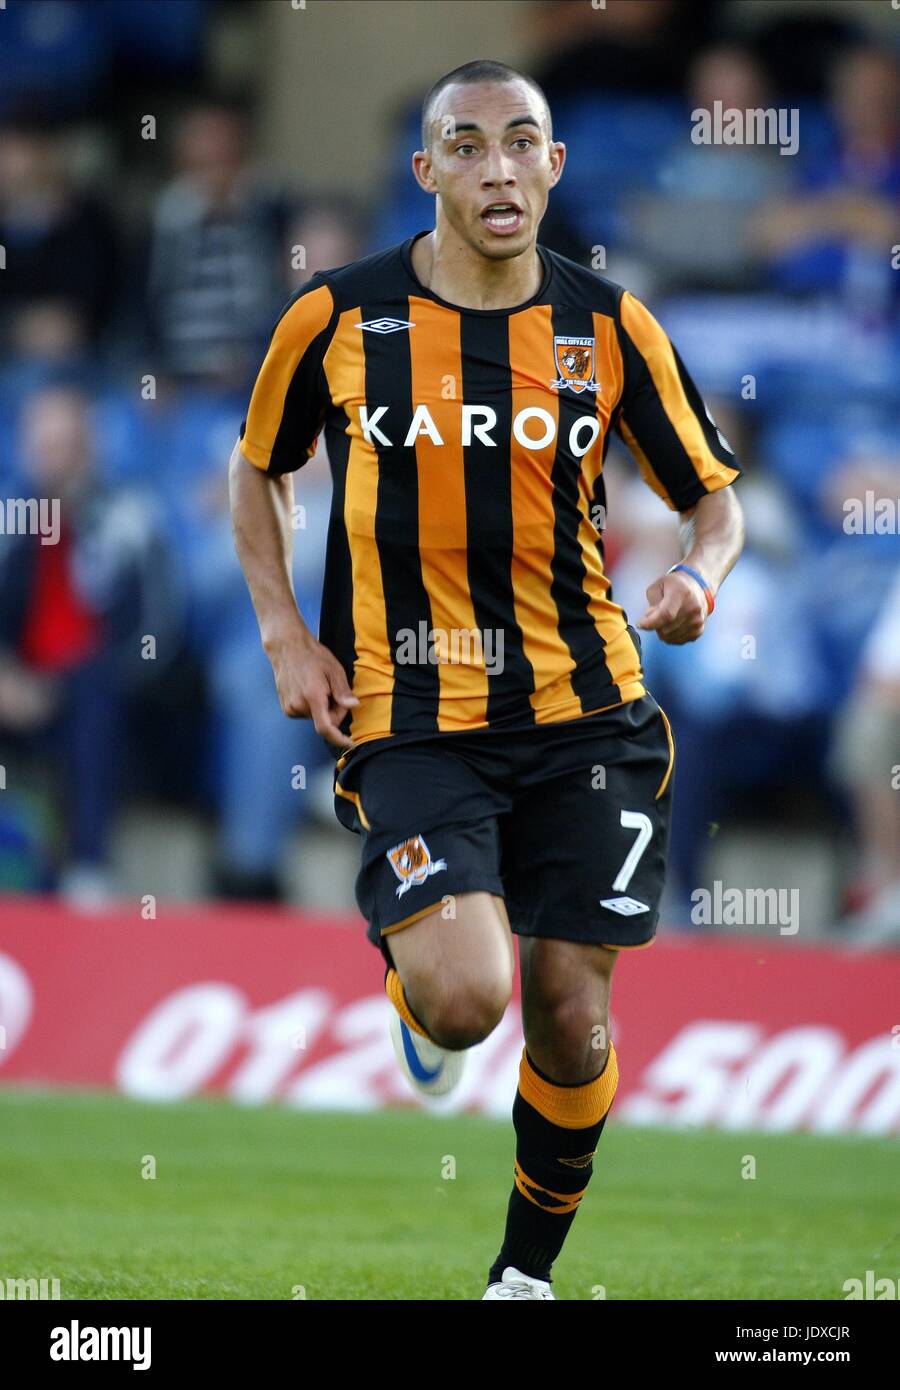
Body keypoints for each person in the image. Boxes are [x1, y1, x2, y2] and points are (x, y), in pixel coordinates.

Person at [229, 60, 744, 1300]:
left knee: (570, 1012)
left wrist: (699, 577)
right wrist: (286, 636)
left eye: (523, 143)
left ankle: (523, 1277)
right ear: (428, 173)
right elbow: (258, 470)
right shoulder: (337, 319)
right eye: (467, 146)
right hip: (410, 715)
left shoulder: (611, 327)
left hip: (588, 713)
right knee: (467, 1002)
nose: (498, 167)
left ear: (555, 167)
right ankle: (420, 987)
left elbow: (713, 500)